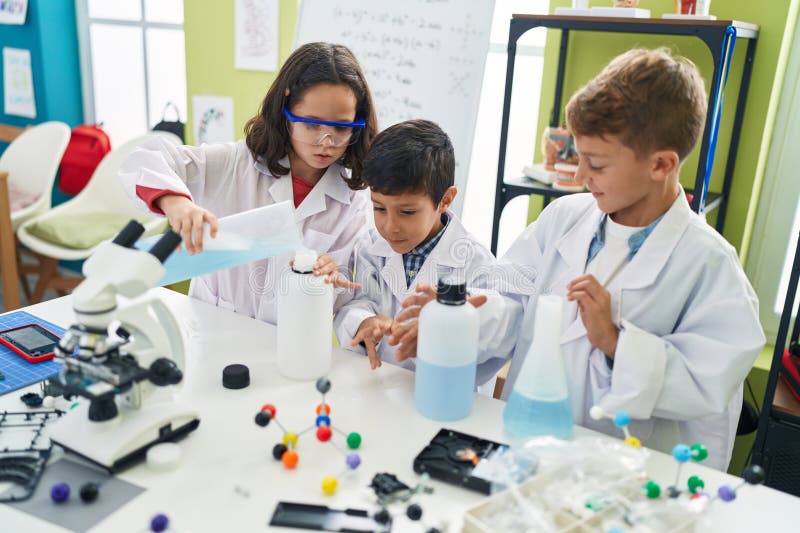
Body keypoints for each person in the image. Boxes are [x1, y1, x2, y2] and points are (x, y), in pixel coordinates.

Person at [400, 48, 765, 470]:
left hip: (627, 475)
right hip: (528, 447)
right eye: (578, 157)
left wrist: (615, 341)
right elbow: (512, 303)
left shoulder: (708, 265)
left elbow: (709, 385)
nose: (579, 177)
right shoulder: (564, 219)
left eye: (596, 164)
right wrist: (461, 316)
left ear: (661, 164)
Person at [120, 42, 377, 324]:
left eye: (341, 128)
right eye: (312, 125)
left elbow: (343, 297)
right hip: (209, 330)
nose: (325, 142)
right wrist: (176, 204)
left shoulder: (353, 202)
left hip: (288, 343)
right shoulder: (236, 164)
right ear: (285, 113)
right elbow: (145, 159)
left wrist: (328, 279)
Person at [333, 120, 519, 384]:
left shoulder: (476, 262)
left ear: (445, 200)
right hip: (376, 387)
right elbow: (358, 301)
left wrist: (440, 334)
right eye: (379, 208)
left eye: (407, 212)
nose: (389, 226)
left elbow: (492, 345)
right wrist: (364, 321)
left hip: (441, 394)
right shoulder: (370, 247)